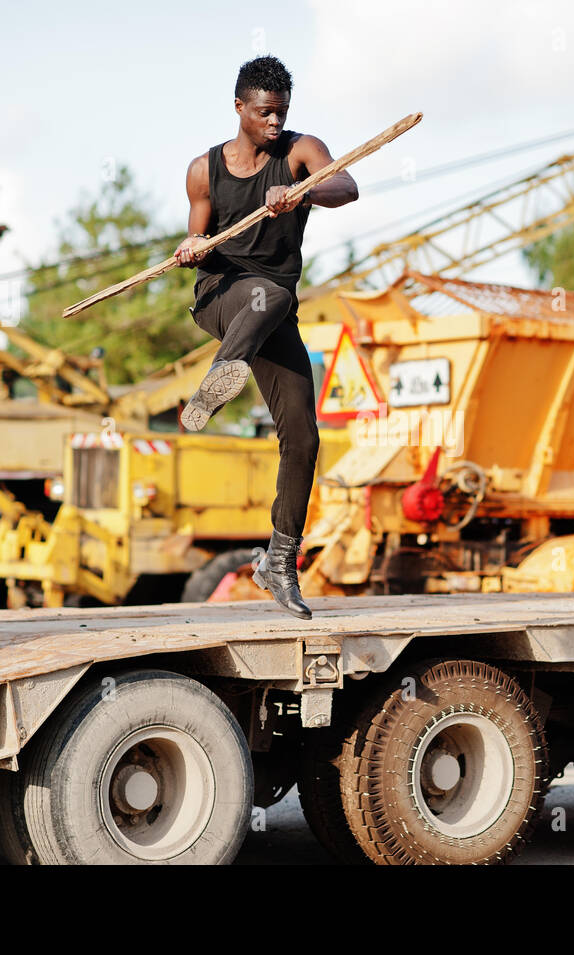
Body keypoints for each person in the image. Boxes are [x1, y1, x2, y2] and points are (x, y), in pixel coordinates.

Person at [174, 55, 358, 620]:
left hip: (272, 314)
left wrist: (304, 194)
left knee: (303, 435)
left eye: (282, 113)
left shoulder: (301, 152)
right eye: (264, 113)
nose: (275, 123)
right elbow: (197, 235)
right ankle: (222, 374)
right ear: (239, 109)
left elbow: (346, 186)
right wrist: (191, 250)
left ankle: (278, 562)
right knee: (265, 293)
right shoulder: (204, 169)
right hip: (221, 299)